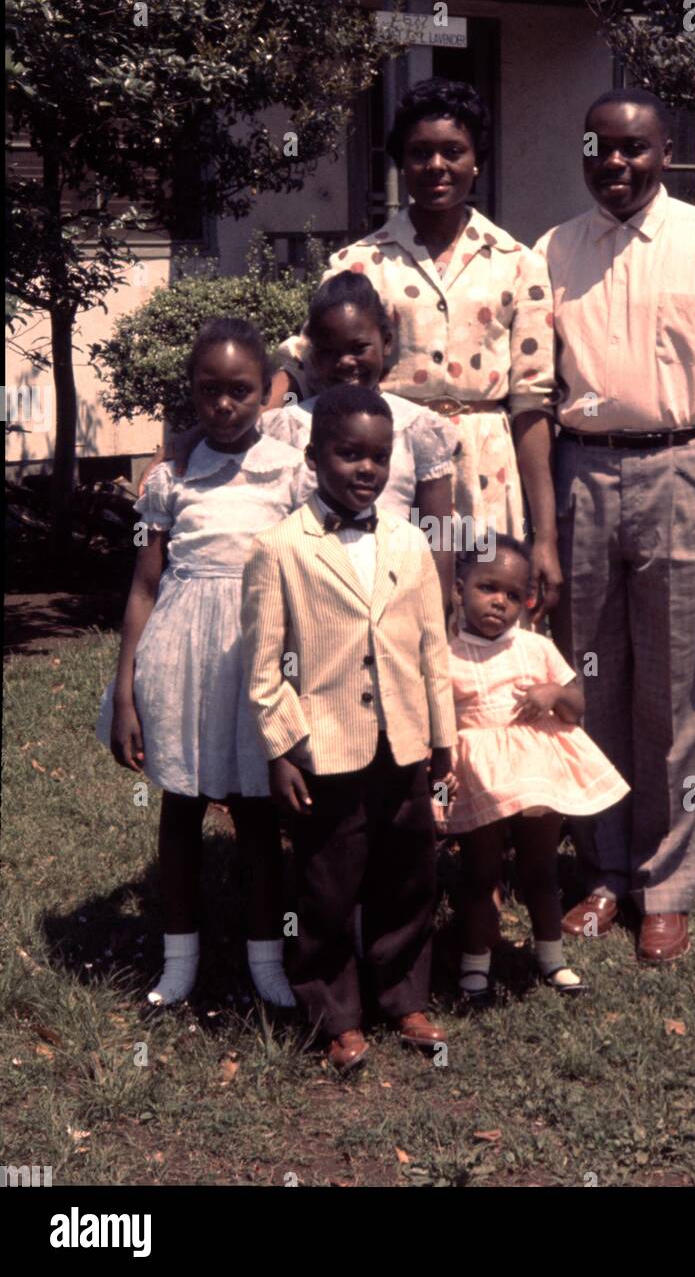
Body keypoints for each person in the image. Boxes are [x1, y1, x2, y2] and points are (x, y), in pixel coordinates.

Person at [535, 88, 695, 964]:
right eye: (599, 147)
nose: (615, 163)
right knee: (589, 684)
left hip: (688, 472)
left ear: (666, 151)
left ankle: (666, 886)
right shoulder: (553, 251)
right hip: (581, 472)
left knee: (679, 690)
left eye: (634, 149)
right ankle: (604, 871)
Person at [277, 78, 562, 622]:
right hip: (389, 462)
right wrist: (197, 439)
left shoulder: (518, 262)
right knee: (391, 616)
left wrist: (545, 536)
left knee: (485, 625)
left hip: (486, 468)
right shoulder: (358, 264)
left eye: (453, 151)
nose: (436, 165)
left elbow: (532, 402)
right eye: (420, 153)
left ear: (477, 161)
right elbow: (303, 364)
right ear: (401, 165)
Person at [241, 384, 458, 1074]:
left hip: (404, 741)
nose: (364, 469)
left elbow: (431, 647)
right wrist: (281, 750)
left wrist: (442, 734)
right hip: (325, 747)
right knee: (327, 886)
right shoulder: (279, 549)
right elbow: (264, 667)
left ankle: (403, 995)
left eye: (378, 456)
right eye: (348, 454)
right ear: (313, 457)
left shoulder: (407, 541)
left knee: (408, 875)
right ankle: (334, 1012)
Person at [97, 318, 305, 1007]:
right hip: (179, 654)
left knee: (255, 812)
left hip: (257, 656)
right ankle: (178, 956)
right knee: (182, 805)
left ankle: (266, 957)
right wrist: (126, 691)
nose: (223, 405)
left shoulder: (288, 470)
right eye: (209, 390)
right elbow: (145, 586)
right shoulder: (171, 477)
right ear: (190, 391)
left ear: (264, 391)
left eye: (240, 390)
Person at [435, 536, 629, 1004]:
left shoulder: (535, 648)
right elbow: (436, 719)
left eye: (513, 595)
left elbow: (576, 705)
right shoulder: (445, 654)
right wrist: (439, 770)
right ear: (460, 590)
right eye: (487, 588)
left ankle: (551, 958)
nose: (499, 602)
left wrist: (552, 695)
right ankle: (476, 964)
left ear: (527, 602)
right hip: (479, 775)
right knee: (481, 872)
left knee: (539, 868)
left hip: (538, 770)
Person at [262, 271, 458, 602]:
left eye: (358, 348)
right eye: (329, 352)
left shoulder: (416, 427)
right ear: (313, 356)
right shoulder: (289, 428)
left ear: (386, 342)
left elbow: (439, 535)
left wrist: (436, 614)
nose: (345, 363)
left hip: (395, 602)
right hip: (311, 602)